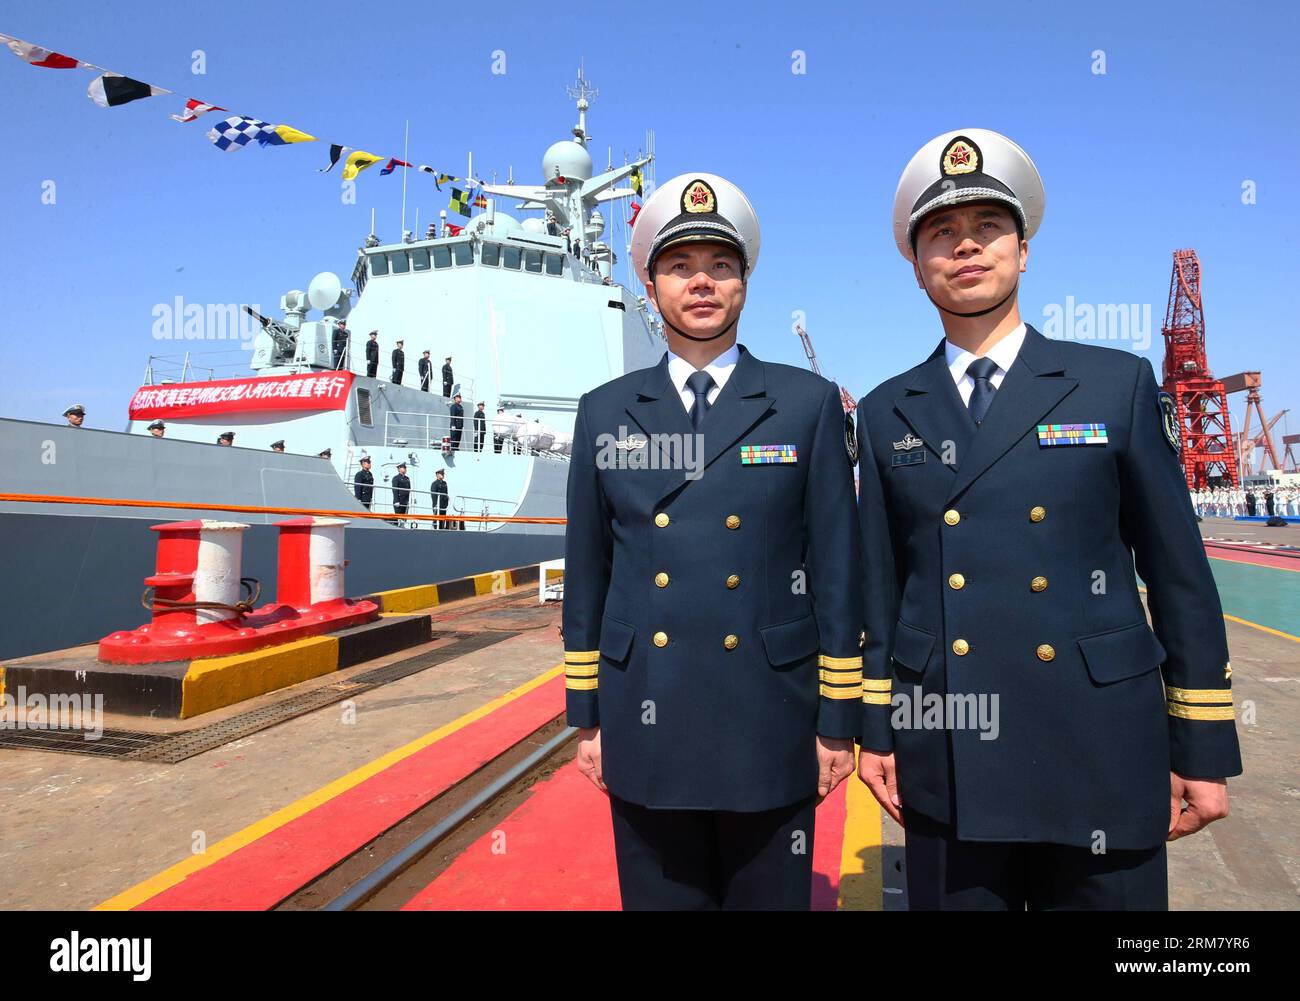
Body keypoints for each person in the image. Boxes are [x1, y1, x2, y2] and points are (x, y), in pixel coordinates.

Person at [855, 129, 1241, 911]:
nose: (966, 246)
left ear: (1024, 251)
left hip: (1099, 744)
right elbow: (880, 586)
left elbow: (1178, 576)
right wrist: (878, 730)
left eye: (987, 227)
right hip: (950, 751)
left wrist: (1201, 743)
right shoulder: (888, 408)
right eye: (941, 233)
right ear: (917, 266)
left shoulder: (1112, 384)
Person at [563, 173, 862, 911]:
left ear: (744, 284)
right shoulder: (605, 412)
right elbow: (589, 573)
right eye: (680, 266)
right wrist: (585, 716)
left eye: (721, 265)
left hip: (770, 717)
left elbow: (835, 571)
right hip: (646, 715)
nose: (702, 282)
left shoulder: (805, 404)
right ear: (651, 285)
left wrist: (837, 719)